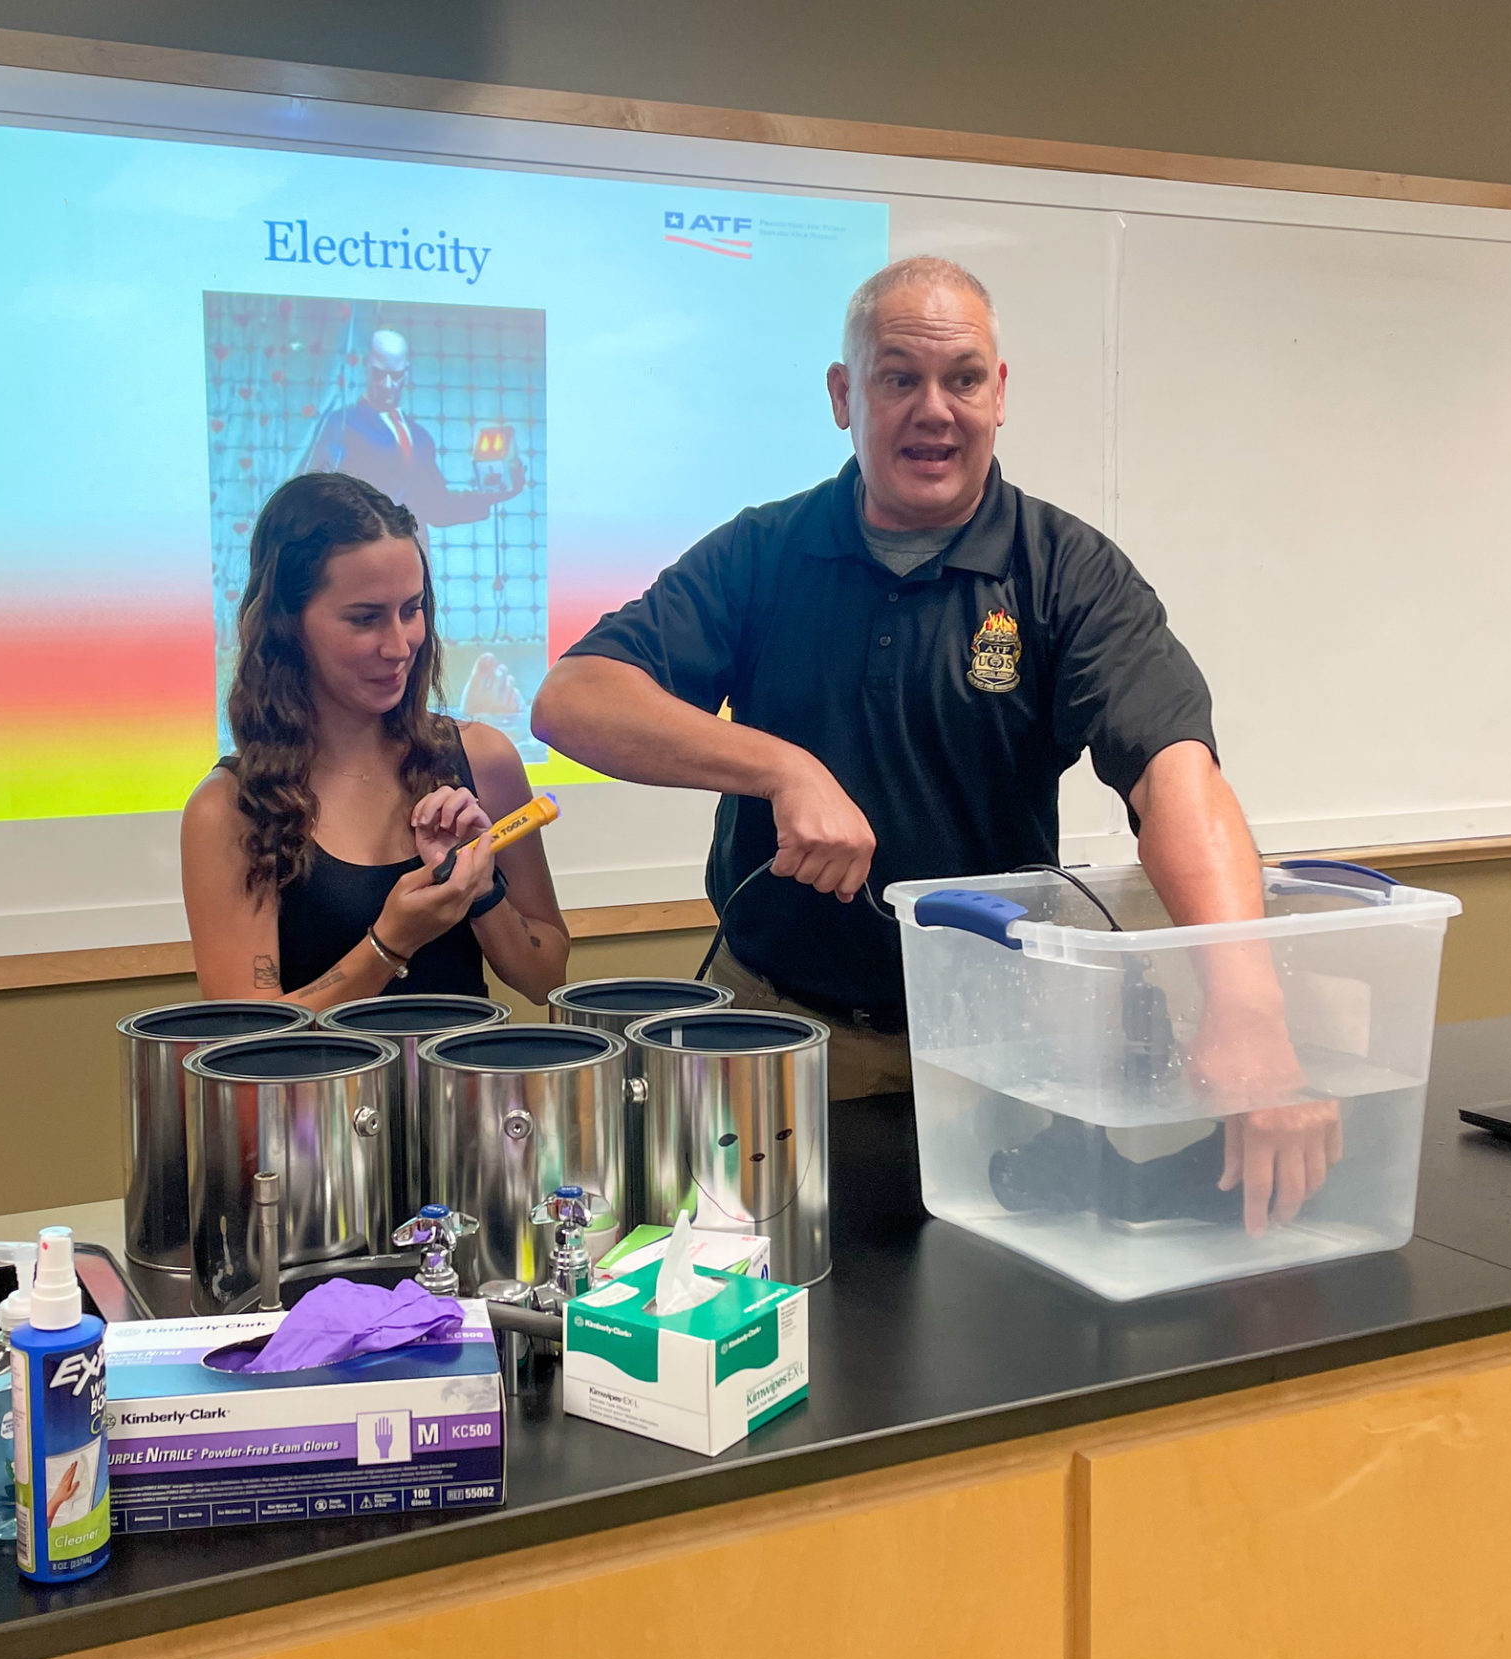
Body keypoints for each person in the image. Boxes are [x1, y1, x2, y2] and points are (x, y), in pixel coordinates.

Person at [531, 255, 1338, 1236]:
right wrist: (780, 766)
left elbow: (1173, 769)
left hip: (1001, 1048)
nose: (932, 409)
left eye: (960, 379)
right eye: (896, 378)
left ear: (999, 395)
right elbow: (575, 698)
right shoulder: (762, 552)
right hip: (780, 1038)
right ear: (843, 394)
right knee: (776, 1330)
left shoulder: (1064, 572)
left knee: (1000, 1339)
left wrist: (1245, 1008)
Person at [182, 471, 569, 1010]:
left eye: (412, 610)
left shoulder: (484, 760)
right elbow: (250, 1041)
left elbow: (545, 976)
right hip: (324, 1094)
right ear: (286, 626)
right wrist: (389, 943)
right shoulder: (230, 809)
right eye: (365, 619)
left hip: (466, 1089)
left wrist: (481, 890)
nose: (399, 645)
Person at [304, 328, 531, 730]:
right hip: (354, 580)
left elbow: (437, 506)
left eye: (397, 376)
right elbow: (308, 502)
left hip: (413, 574)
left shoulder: (419, 437)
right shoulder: (340, 427)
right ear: (365, 371)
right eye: (379, 375)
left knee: (408, 666)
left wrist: (496, 495)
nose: (388, 385)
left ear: (407, 373)